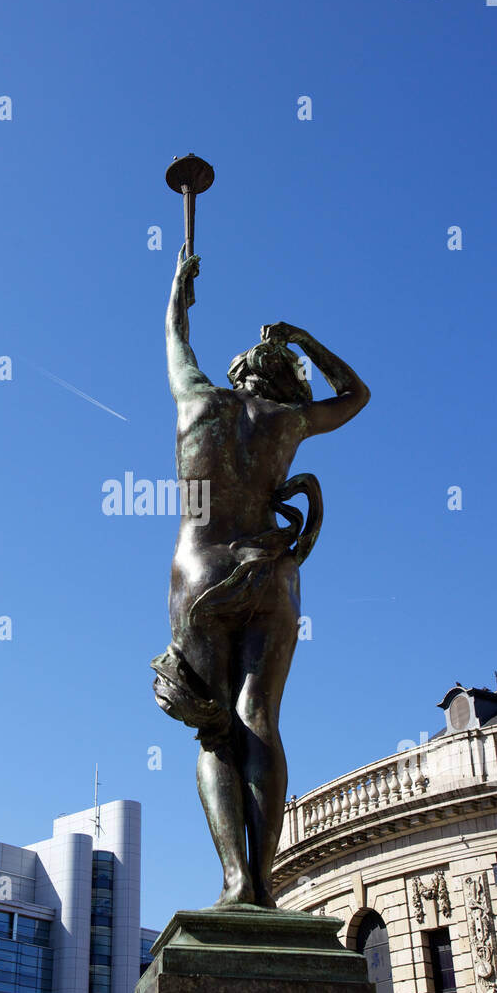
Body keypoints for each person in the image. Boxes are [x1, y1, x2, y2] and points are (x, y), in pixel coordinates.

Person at [152, 246, 370, 908]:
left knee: (214, 727)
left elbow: (174, 336)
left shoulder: (199, 400)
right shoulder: (290, 422)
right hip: (271, 573)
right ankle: (267, 885)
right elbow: (356, 395)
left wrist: (178, 290)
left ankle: (233, 880)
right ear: (285, 380)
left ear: (240, 372)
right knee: (260, 720)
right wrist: (305, 337)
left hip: (201, 570)